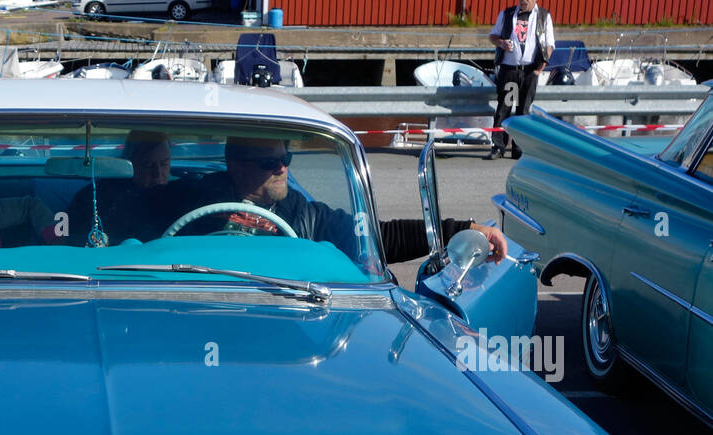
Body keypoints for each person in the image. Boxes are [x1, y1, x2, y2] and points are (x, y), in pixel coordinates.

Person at [169, 136, 507, 265]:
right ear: (236, 167)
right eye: (270, 163)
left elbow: (377, 238)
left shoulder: (306, 215)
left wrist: (462, 229)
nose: (283, 168)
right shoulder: (190, 201)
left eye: (286, 157)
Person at [64, 131, 181, 246]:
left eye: (164, 164)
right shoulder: (98, 198)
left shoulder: (181, 196)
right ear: (129, 162)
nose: (158, 174)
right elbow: (69, 239)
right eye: (148, 165)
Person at [488, 0, 555, 159]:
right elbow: (492, 36)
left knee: (523, 111)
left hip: (530, 71)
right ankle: (498, 146)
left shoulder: (543, 16)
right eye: (520, 0)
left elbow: (550, 45)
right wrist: (501, 42)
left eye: (526, 1)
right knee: (504, 108)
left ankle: (519, 148)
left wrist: (540, 69)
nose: (522, 3)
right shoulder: (507, 13)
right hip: (510, 69)